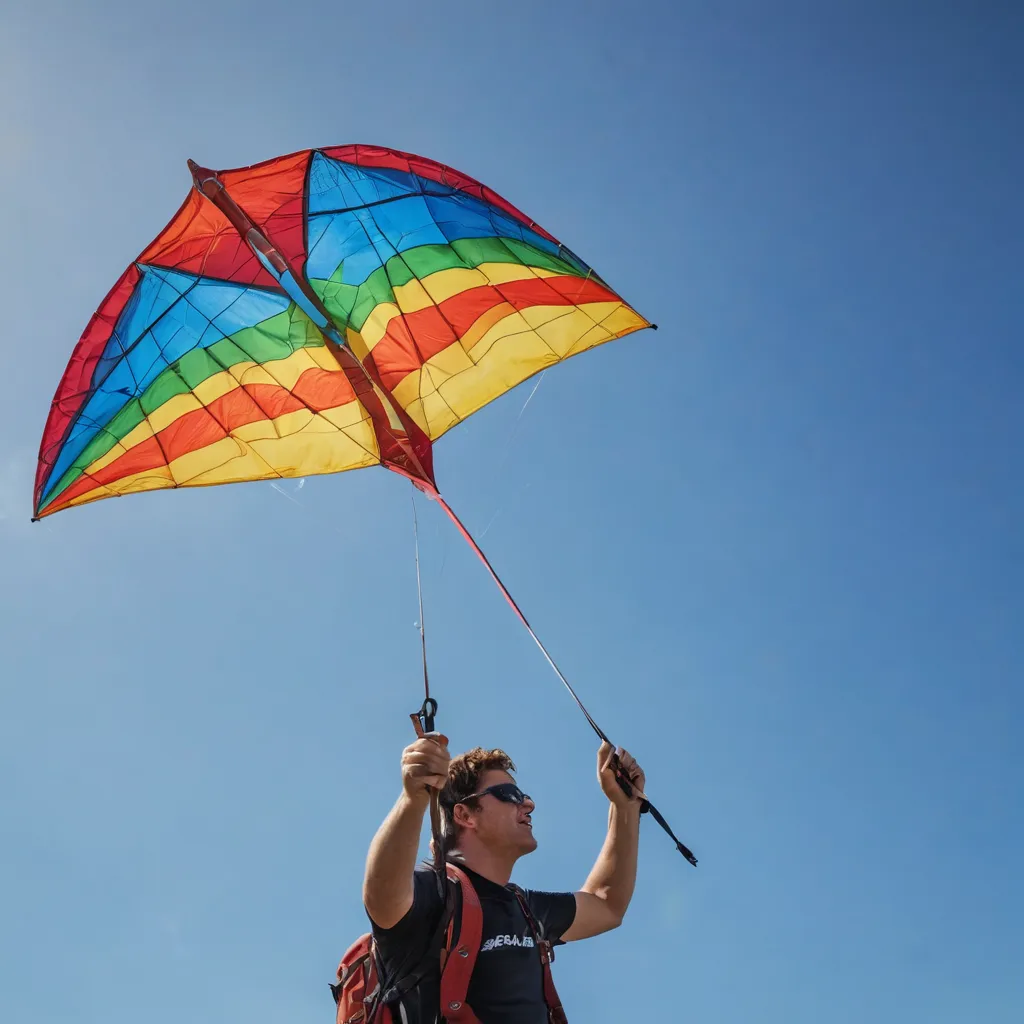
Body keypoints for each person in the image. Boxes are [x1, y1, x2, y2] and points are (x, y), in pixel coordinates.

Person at [362, 732, 645, 1023]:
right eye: (510, 795)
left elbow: (606, 905)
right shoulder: (432, 895)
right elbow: (381, 895)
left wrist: (625, 806)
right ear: (465, 815)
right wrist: (413, 798)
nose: (528, 804)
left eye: (524, 796)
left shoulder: (526, 909)